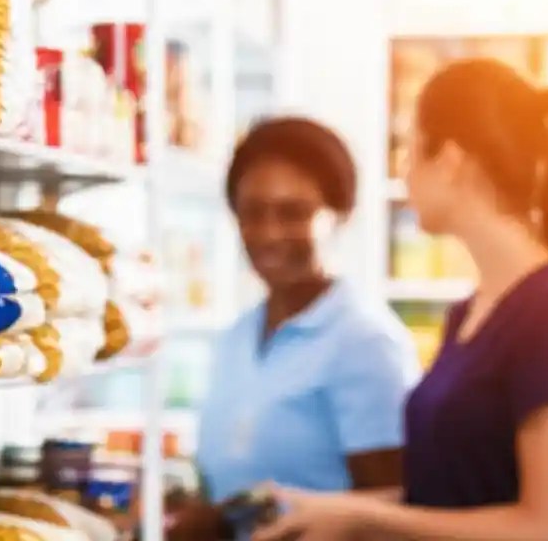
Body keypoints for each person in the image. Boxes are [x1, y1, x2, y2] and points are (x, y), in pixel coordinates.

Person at [254, 59, 548, 541]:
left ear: (449, 161)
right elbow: (450, 496)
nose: (403, 173)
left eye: (409, 150)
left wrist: (365, 518)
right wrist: (330, 510)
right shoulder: (470, 314)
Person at [171, 117, 421, 541]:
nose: (269, 234)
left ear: (339, 214)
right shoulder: (236, 338)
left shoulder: (365, 342)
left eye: (293, 213)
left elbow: (394, 517)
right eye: (252, 213)